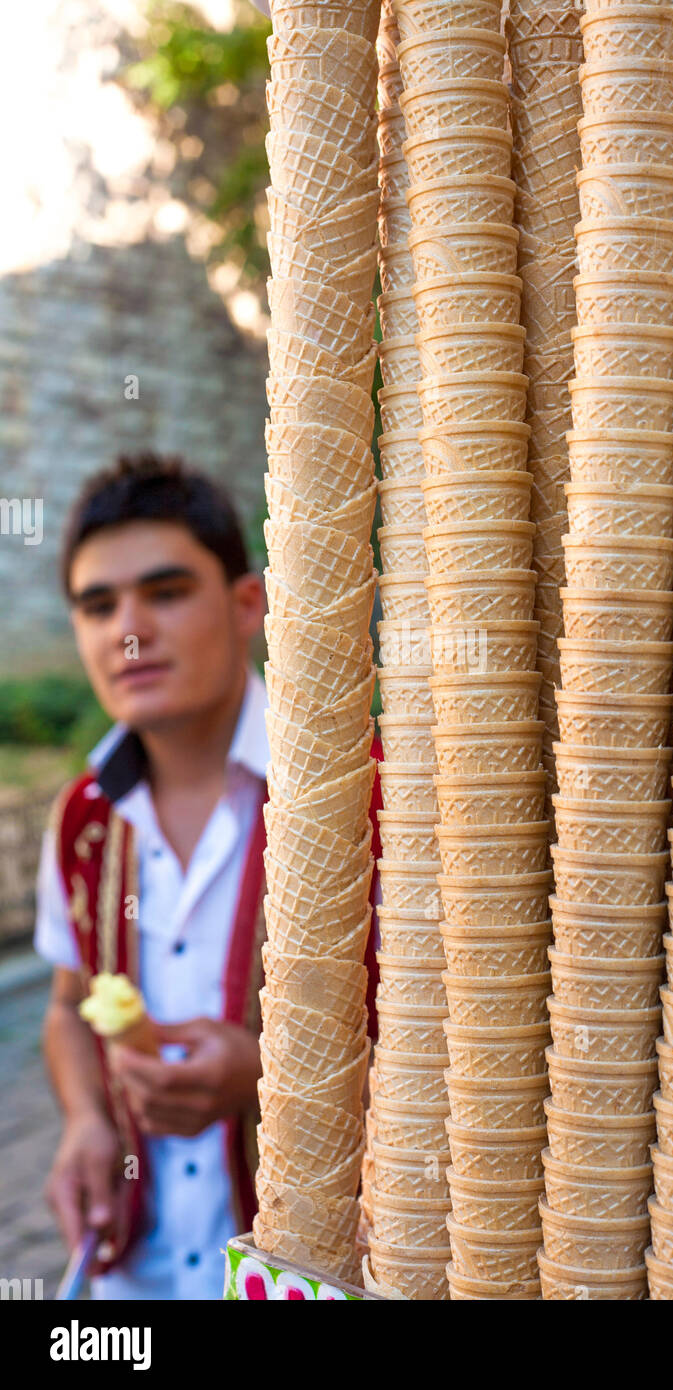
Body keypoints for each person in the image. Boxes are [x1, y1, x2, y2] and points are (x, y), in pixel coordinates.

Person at [36, 452, 383, 1300]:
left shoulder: (368, 793)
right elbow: (66, 1006)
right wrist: (86, 1120)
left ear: (247, 604)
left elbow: (467, 1058)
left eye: (165, 592)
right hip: (134, 1283)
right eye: (97, 606)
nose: (128, 631)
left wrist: (274, 1078)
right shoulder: (82, 818)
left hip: (327, 1272)